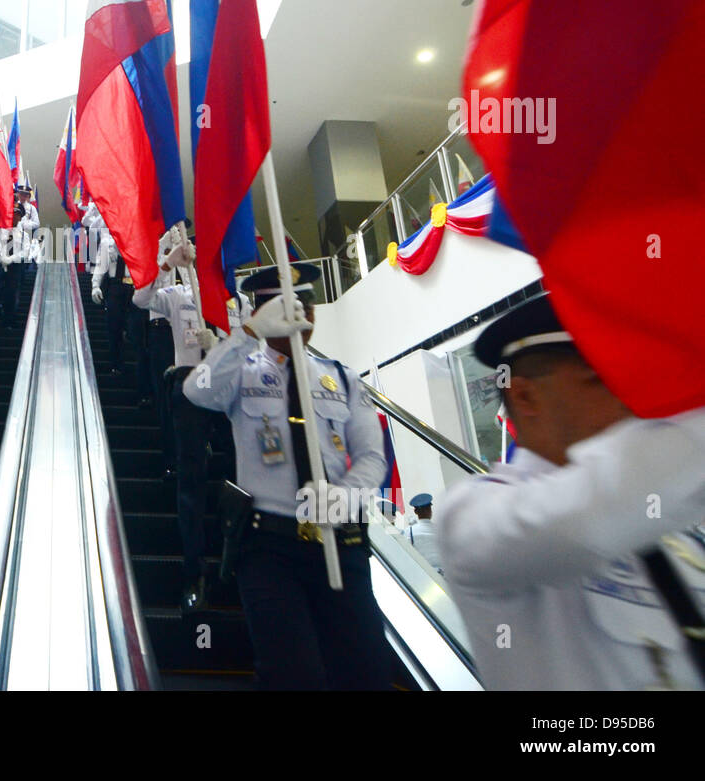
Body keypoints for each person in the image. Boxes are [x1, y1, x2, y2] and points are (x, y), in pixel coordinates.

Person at [439, 294, 705, 690]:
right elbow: (582, 523)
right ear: (525, 396)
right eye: (601, 379)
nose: (628, 397)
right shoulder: (471, 514)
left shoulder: (665, 517)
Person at [183, 266, 393, 690]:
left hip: (339, 540)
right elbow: (196, 390)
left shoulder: (343, 378)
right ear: (263, 312)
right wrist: (247, 333)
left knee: (366, 668)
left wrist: (345, 498)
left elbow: (372, 456)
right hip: (268, 546)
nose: (301, 317)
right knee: (292, 673)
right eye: (286, 308)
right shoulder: (240, 372)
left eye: (306, 306)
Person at [134, 232, 250, 609]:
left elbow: (255, 350)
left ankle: (239, 560)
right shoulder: (179, 296)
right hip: (189, 383)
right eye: (198, 257)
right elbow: (141, 298)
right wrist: (167, 262)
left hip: (232, 390)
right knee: (192, 478)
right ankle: (194, 570)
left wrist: (224, 348)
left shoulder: (240, 302)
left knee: (239, 475)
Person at [90, 227, 134, 377]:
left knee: (135, 328)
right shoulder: (107, 242)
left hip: (135, 287)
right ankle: (117, 364)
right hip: (115, 286)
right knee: (114, 326)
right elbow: (100, 266)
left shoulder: (137, 239)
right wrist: (95, 285)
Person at [405, 493, 442, 574]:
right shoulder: (441, 530)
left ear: (415, 512)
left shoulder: (409, 531)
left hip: (423, 574)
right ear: (430, 510)